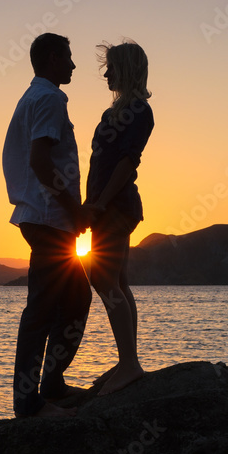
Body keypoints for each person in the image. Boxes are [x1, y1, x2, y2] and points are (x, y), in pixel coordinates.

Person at [2, 32, 93, 418]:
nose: (74, 65)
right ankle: (28, 403)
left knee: (75, 298)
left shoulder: (33, 96)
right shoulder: (50, 98)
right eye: (69, 58)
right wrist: (73, 208)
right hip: (48, 217)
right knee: (41, 309)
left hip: (42, 216)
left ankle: (51, 385)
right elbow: (41, 161)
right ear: (53, 58)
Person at [84, 39, 154, 396]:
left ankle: (129, 364)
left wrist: (99, 204)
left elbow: (128, 162)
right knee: (119, 281)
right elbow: (100, 164)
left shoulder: (140, 111)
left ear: (126, 68)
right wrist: (89, 203)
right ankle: (128, 358)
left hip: (118, 207)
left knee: (102, 277)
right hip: (105, 207)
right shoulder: (112, 113)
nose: (106, 73)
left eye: (111, 67)